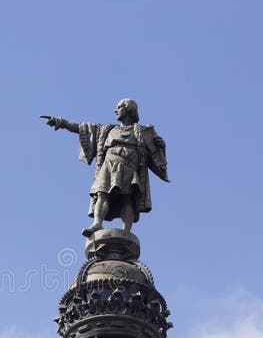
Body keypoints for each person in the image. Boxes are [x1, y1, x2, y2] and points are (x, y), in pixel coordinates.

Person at [41, 99, 169, 236]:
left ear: (128, 109)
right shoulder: (107, 130)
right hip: (109, 165)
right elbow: (83, 128)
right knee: (101, 194)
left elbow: (157, 156)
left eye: (119, 107)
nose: (115, 110)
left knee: (128, 197)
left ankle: (126, 231)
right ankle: (97, 223)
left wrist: (161, 146)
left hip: (129, 167)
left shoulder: (143, 132)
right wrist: (61, 122)